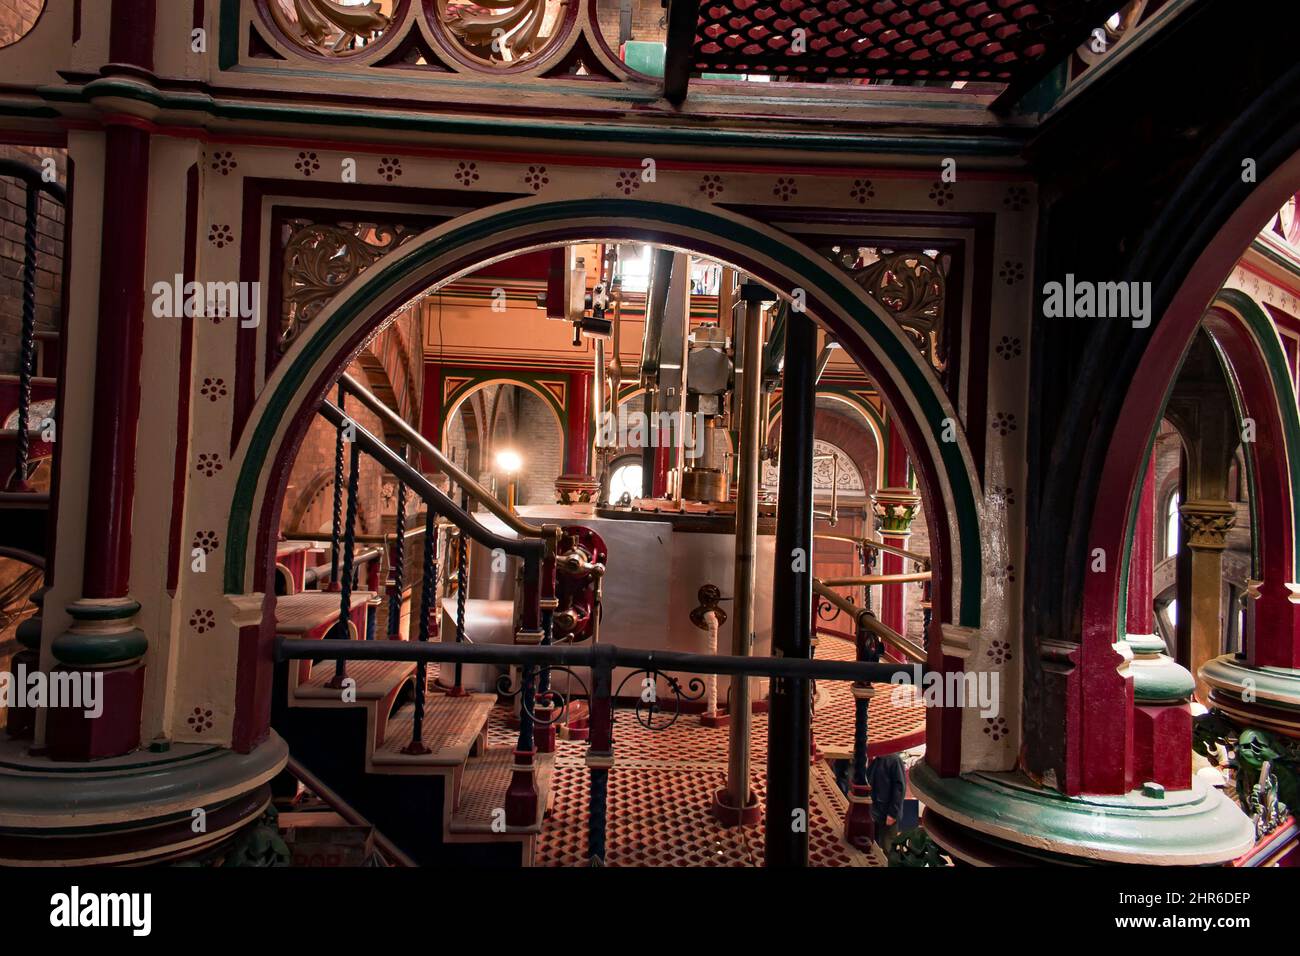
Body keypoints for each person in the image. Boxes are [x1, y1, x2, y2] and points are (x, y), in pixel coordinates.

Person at [866, 753, 906, 852]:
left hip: (887, 814)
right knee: (874, 847)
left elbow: (899, 788)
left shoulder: (894, 760)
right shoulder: (875, 759)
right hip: (874, 812)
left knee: (887, 848)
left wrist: (892, 814)